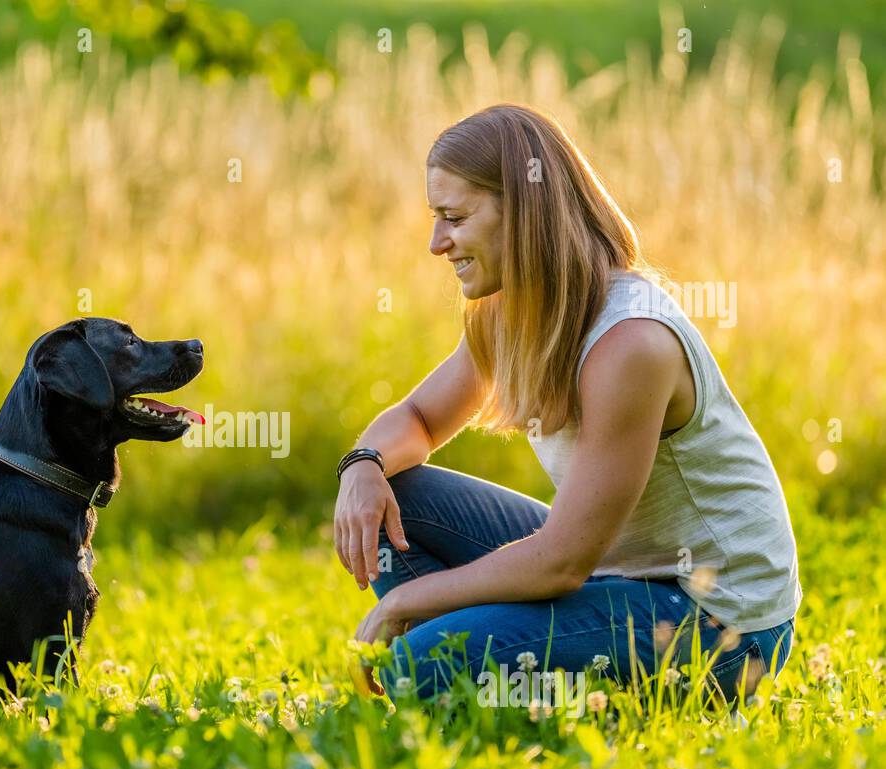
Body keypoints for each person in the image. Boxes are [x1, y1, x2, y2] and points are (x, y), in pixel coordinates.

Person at [333, 104, 801, 708]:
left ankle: (457, 663)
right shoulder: (513, 311)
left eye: (454, 218)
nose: (436, 243)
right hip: (613, 572)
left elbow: (561, 563)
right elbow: (419, 419)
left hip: (717, 622)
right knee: (399, 497)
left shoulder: (631, 341)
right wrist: (363, 464)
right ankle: (474, 660)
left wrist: (407, 599)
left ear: (523, 213)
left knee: (420, 668)